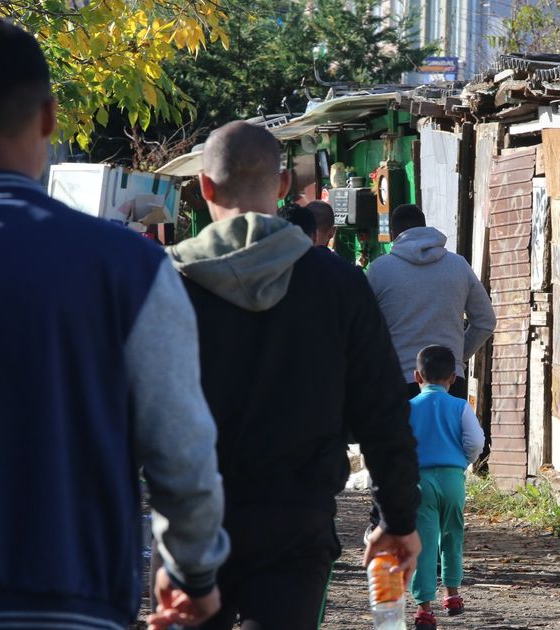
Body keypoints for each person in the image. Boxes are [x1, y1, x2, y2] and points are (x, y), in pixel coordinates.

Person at [0, 17, 229, 630]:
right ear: (48, 117)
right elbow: (182, 450)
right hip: (77, 601)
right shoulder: (133, 269)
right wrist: (193, 570)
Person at [167, 121, 422, 630]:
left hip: (191, 523)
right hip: (296, 523)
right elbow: (382, 409)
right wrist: (397, 519)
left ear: (205, 188)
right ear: (284, 187)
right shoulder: (340, 285)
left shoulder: (168, 282)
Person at [366, 204, 497, 402]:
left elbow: (361, 328)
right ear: (425, 227)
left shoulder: (379, 270)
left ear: (393, 234)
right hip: (449, 381)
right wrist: (454, 359)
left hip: (397, 380)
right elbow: (485, 321)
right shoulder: (458, 266)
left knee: (402, 434)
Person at [406, 346, 485, 630]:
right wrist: (461, 461)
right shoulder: (460, 406)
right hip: (453, 479)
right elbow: (476, 442)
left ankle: (424, 608)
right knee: (453, 533)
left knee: (423, 542)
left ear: (416, 376)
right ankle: (452, 595)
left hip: (419, 481)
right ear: (453, 378)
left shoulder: (408, 407)